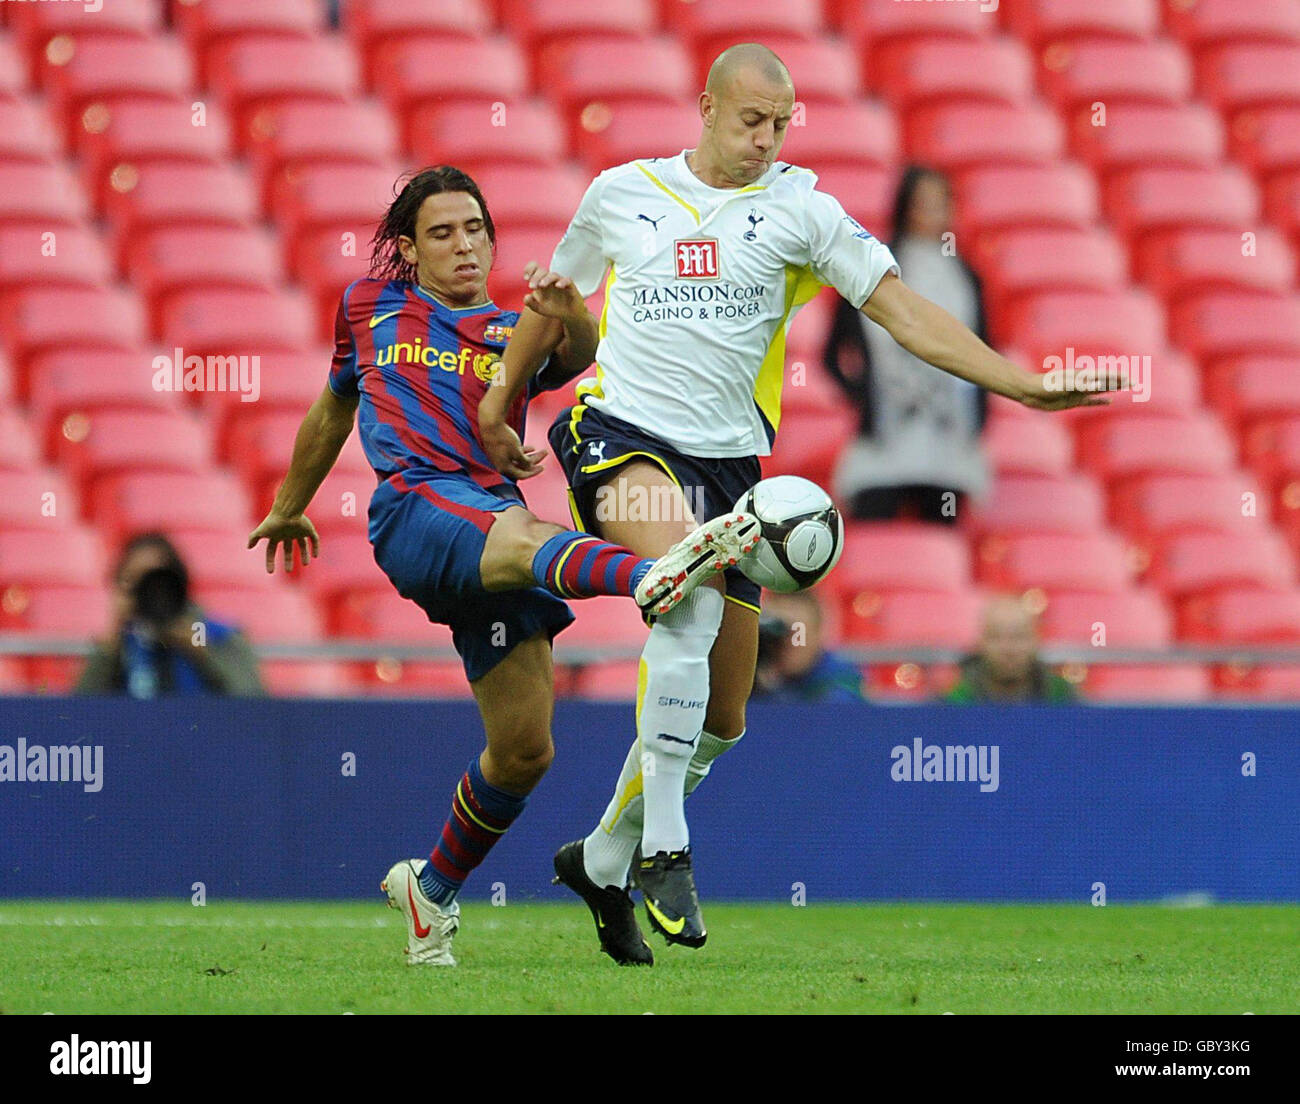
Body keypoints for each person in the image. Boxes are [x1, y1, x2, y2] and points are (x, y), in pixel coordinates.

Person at [483, 44, 1116, 966]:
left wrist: (1015, 384)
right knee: (686, 586)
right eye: (751, 120)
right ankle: (665, 846)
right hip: (618, 438)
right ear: (705, 107)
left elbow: (901, 310)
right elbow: (553, 300)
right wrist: (504, 402)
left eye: (782, 124)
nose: (768, 139)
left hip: (732, 467)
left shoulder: (804, 210)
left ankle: (603, 855)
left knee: (724, 718)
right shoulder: (622, 193)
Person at [246, 166, 755, 967]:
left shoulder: (512, 330)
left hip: (490, 540)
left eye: (475, 230)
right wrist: (288, 503)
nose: (464, 246)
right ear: (408, 250)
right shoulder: (367, 306)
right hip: (416, 511)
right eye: (442, 233)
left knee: (524, 750)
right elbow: (334, 403)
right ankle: (646, 576)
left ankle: (431, 892)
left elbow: (579, 354)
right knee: (525, 528)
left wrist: (570, 314)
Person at [823, 166, 990, 525]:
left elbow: (985, 355)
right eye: (922, 204)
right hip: (884, 443)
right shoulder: (872, 268)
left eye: (940, 204)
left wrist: (978, 417)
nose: (932, 215)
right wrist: (866, 395)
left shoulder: (966, 278)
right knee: (874, 539)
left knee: (939, 549)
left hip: (947, 446)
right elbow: (833, 354)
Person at [76, 532, 264, 698]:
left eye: (155, 581)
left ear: (177, 583)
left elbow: (254, 703)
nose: (148, 591)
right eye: (135, 581)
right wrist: (112, 640)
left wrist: (201, 651)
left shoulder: (217, 635)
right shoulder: (121, 643)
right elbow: (80, 711)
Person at [944, 595, 1077, 704]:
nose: (1008, 649)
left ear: (1035, 640)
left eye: (1019, 636)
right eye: (996, 637)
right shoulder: (956, 701)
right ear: (981, 642)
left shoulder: (1061, 697)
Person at [753, 590, 864, 703]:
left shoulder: (838, 686)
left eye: (797, 633)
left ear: (818, 634)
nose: (785, 642)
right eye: (775, 632)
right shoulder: (757, 677)